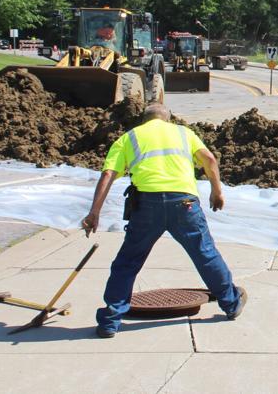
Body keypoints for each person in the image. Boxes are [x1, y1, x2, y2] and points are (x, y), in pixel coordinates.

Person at [81, 104, 247, 338]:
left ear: (143, 120)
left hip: (147, 207)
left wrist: (94, 212)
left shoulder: (129, 138)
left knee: (127, 262)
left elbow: (108, 174)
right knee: (205, 254)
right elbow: (209, 159)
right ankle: (230, 303)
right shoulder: (183, 133)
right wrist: (217, 191)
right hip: (184, 204)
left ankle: (110, 320)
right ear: (167, 119)